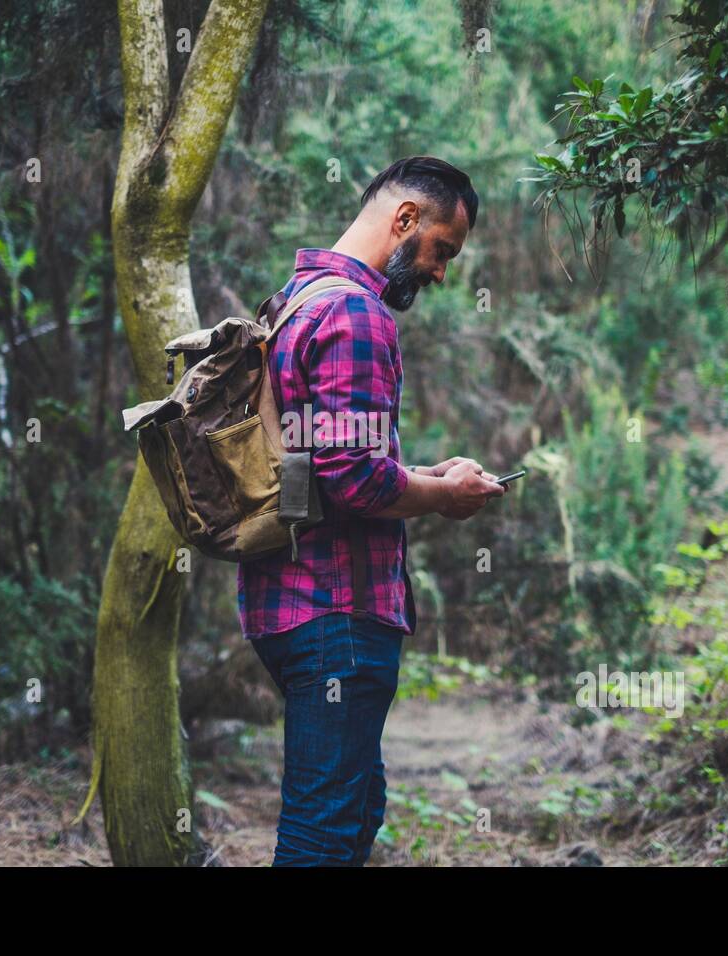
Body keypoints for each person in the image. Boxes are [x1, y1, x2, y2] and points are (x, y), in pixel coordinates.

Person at [242, 156, 505, 866]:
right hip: (337, 613)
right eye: (442, 251)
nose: (442, 272)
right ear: (406, 220)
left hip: (290, 601)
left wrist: (425, 475)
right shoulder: (356, 313)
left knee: (355, 812)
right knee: (323, 831)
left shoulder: (294, 299)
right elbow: (356, 481)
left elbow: (325, 462)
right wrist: (446, 497)